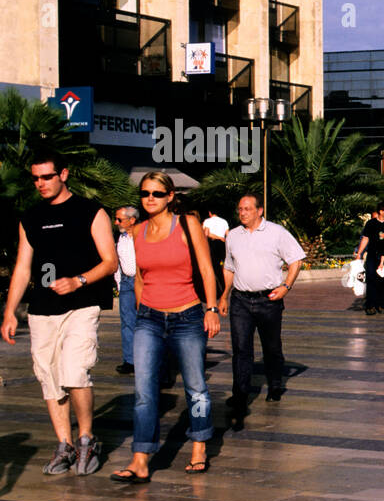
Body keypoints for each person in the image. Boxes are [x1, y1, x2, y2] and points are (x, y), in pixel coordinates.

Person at [2, 156, 117, 476]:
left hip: (82, 305)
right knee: (49, 378)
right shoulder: (31, 217)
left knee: (74, 371)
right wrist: (10, 311)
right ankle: (64, 443)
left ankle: (86, 439)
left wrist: (78, 280)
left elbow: (110, 262)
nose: (40, 183)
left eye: (47, 176)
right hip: (41, 311)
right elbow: (23, 268)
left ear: (63, 174)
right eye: (36, 178)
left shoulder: (90, 211)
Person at [112, 172, 220, 481]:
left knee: (196, 388)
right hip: (149, 319)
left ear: (170, 196)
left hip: (187, 316)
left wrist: (211, 309)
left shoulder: (188, 226)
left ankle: (199, 445)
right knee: (144, 391)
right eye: (145, 193)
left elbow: (206, 269)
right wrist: (141, 308)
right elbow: (141, 275)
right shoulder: (138, 231)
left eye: (157, 194)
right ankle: (140, 458)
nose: (149, 198)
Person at [219, 191, 305, 412]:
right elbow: (229, 268)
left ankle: (275, 385)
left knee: (272, 347)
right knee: (241, 349)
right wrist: (224, 295)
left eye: (247, 209)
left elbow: (296, 260)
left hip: (269, 300)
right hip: (240, 300)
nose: (242, 213)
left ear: (259, 211)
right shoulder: (233, 235)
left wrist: (286, 286)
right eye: (239, 209)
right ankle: (240, 395)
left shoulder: (277, 232)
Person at [355, 201, 384, 315]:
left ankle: (382, 305)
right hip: (372, 255)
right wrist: (359, 253)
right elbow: (365, 238)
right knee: (371, 279)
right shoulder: (371, 223)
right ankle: (370, 305)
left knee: (383, 280)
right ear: (381, 211)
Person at [114, 205, 139, 375]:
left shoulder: (143, 236)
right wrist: (119, 284)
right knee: (127, 323)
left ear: (132, 220)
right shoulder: (120, 238)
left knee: (148, 322)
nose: (116, 222)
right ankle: (130, 361)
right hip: (126, 283)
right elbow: (116, 262)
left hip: (143, 282)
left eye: (119, 219)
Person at [202, 208, 229, 273]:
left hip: (212, 244)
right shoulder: (224, 221)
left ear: (210, 213)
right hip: (222, 244)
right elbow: (228, 235)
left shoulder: (207, 221)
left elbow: (206, 234)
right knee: (222, 262)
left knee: (213, 264)